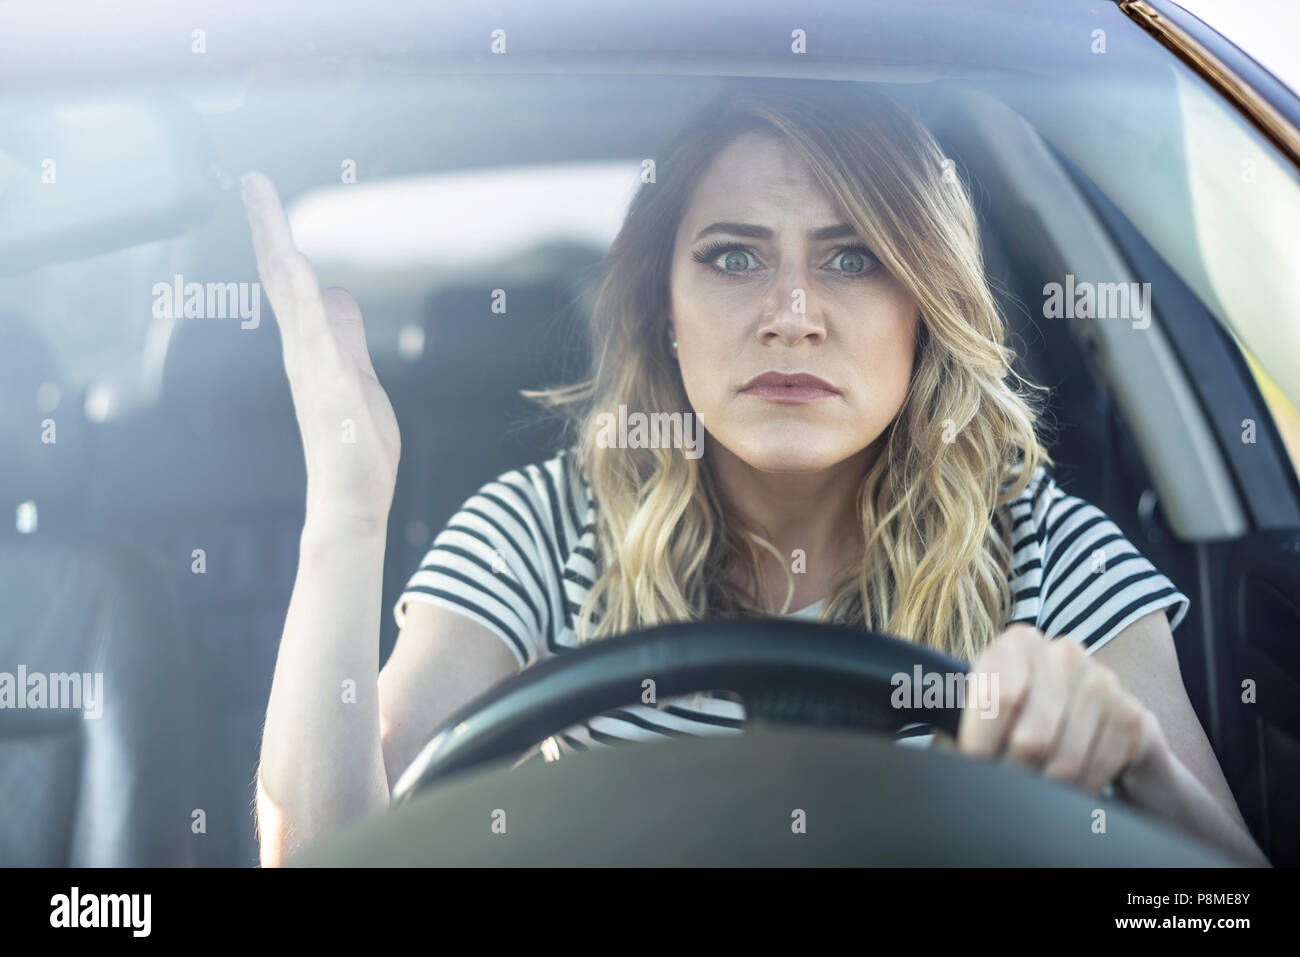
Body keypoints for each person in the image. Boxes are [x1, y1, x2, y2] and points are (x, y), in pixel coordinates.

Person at [248, 80, 1268, 866]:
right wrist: (345, 511)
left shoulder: (1047, 554)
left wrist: (1132, 770)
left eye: (853, 256)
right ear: (665, 314)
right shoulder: (540, 530)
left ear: (924, 310)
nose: (790, 310)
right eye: (734, 258)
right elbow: (321, 856)